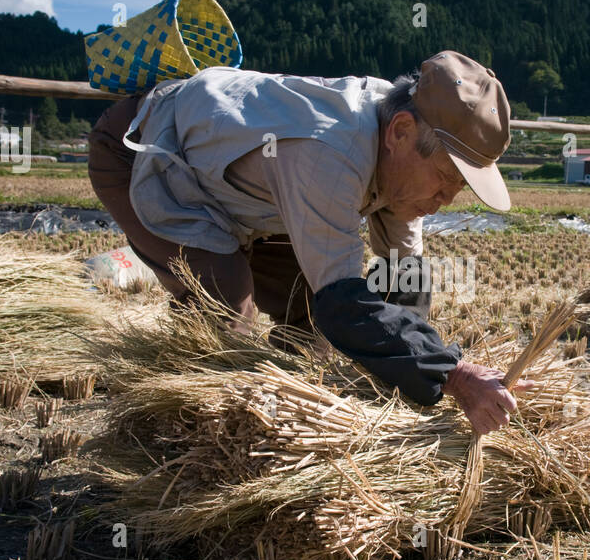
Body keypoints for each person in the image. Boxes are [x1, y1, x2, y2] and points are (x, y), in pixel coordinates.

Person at [88, 50, 522, 434]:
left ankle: (282, 419)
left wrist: (421, 376)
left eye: (457, 190)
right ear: (400, 132)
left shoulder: (405, 140)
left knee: (309, 316)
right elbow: (344, 303)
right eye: (445, 180)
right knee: (225, 318)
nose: (443, 201)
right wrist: (456, 375)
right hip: (151, 153)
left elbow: (402, 281)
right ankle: (179, 440)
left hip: (254, 194)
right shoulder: (331, 152)